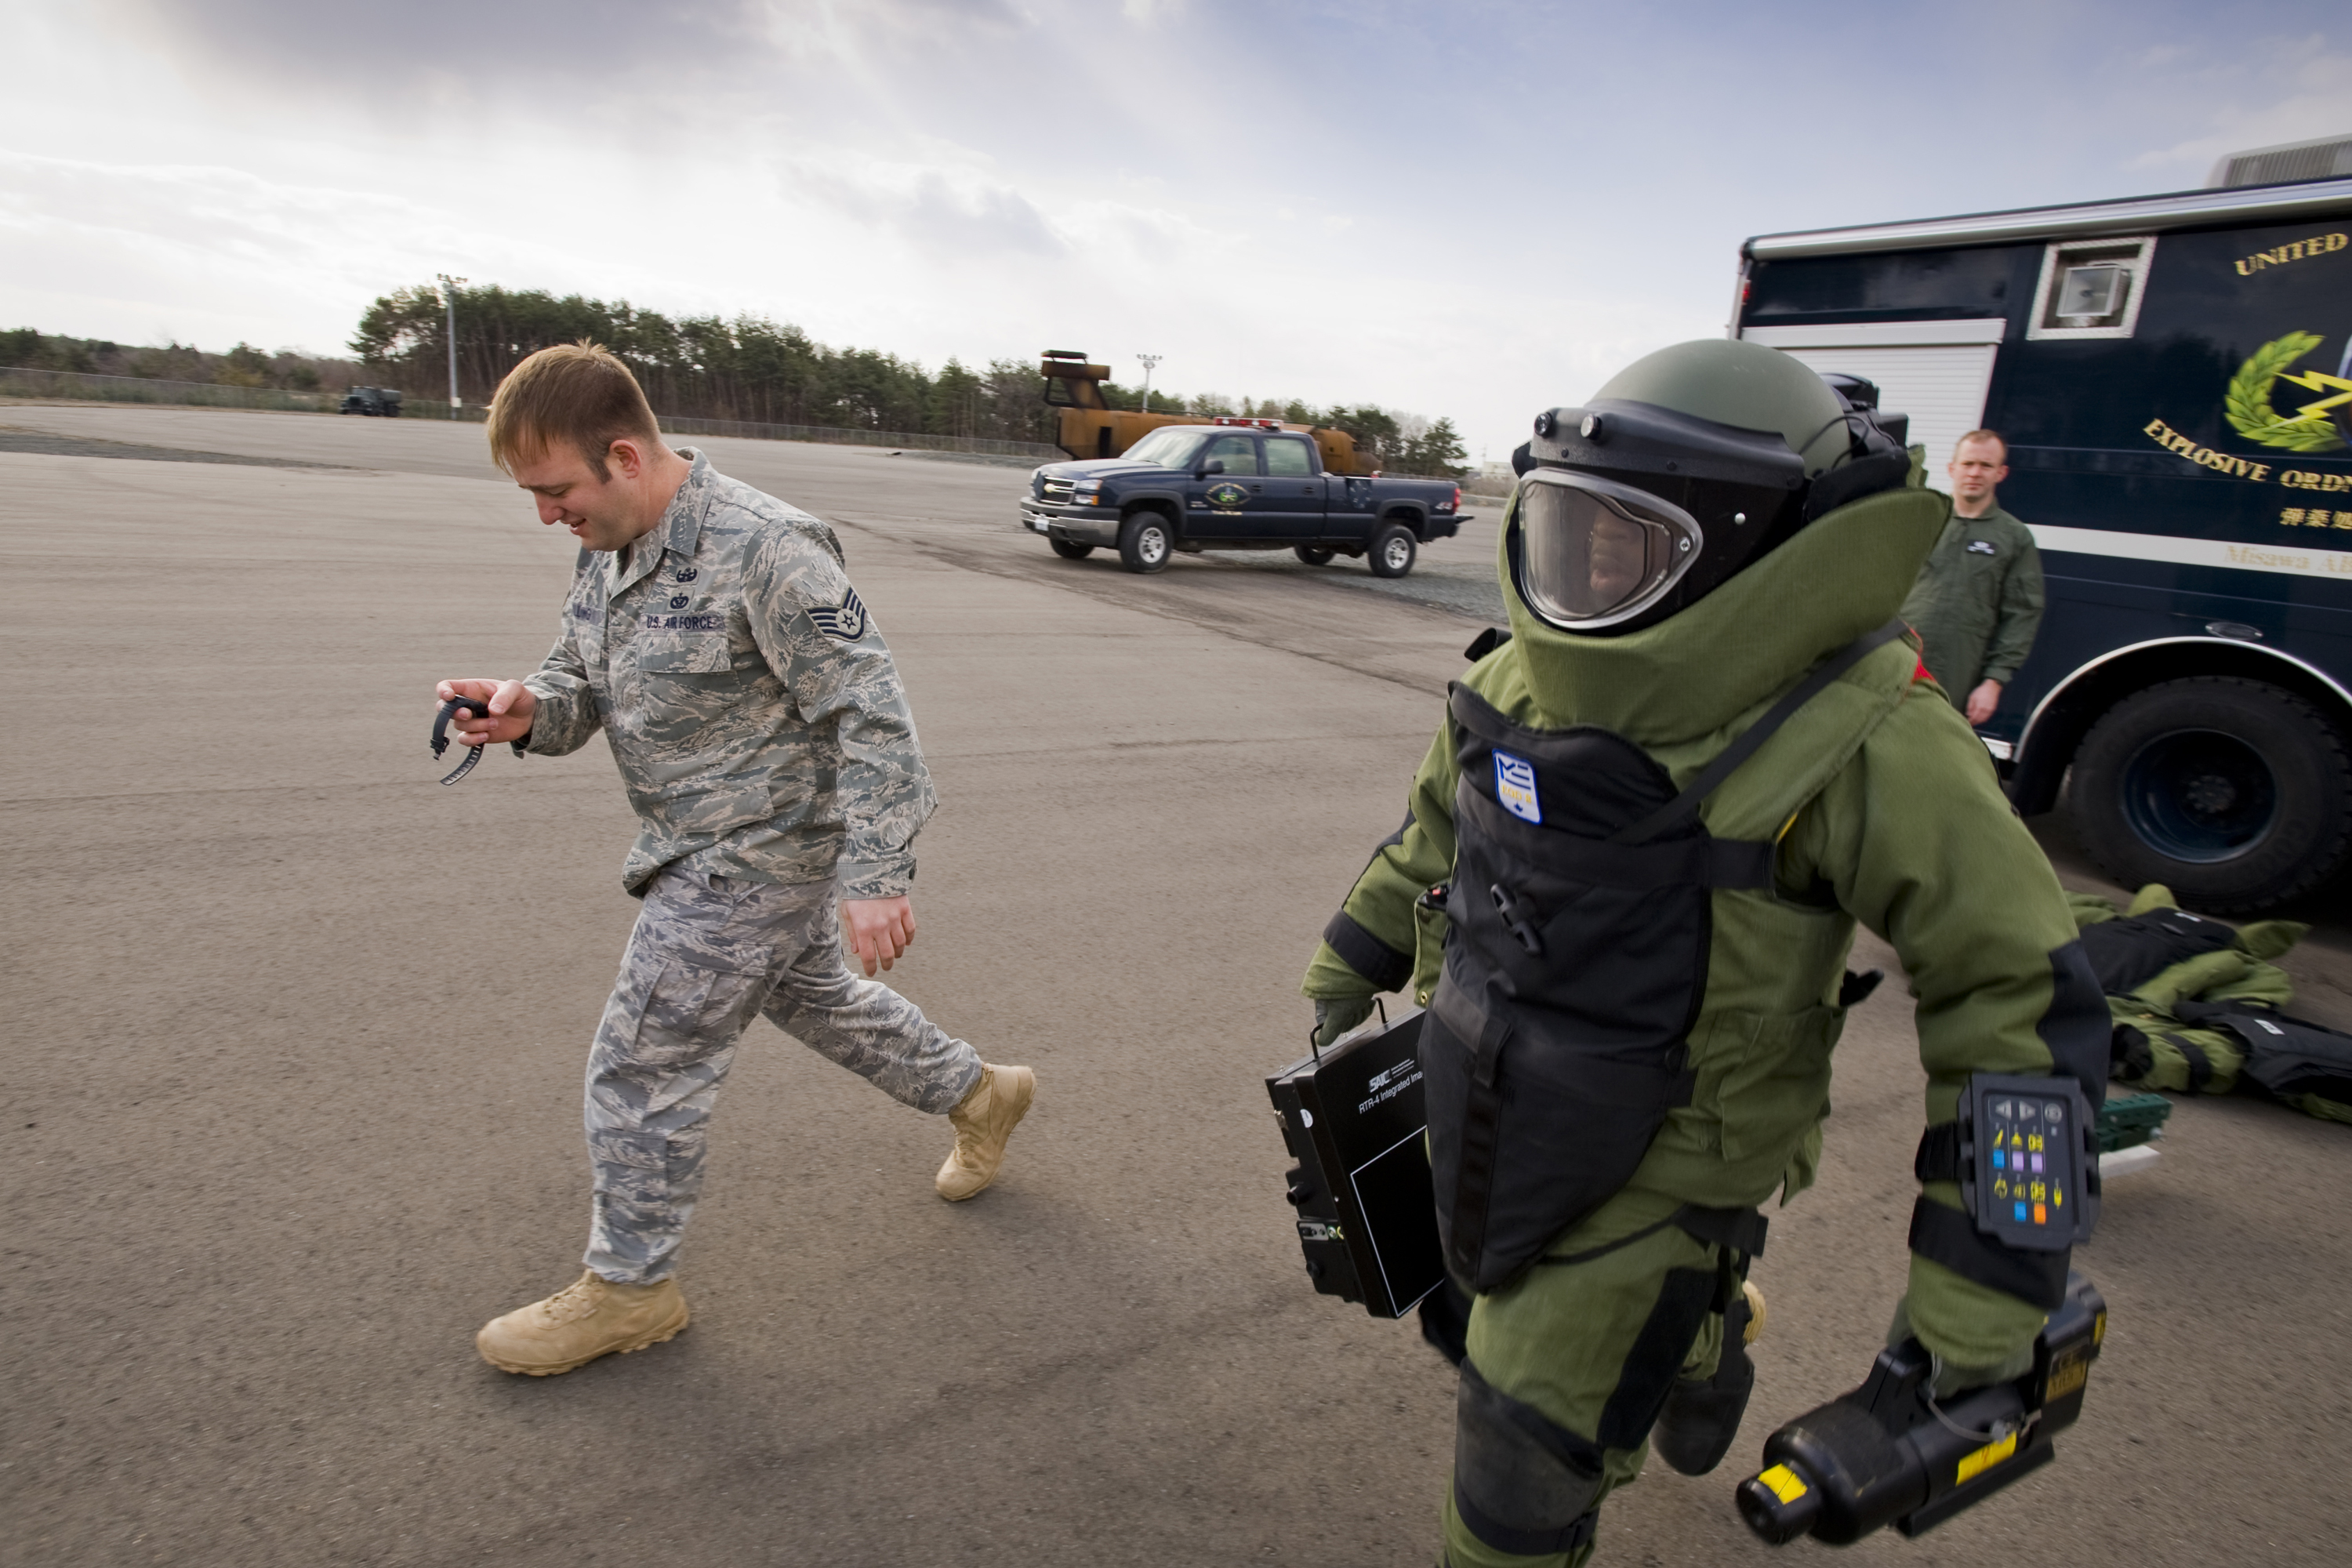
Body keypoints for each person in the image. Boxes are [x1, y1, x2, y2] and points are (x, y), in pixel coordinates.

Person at [1299, 342, 2107, 1568]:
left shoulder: (1866, 732)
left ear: (1765, 546)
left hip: (1679, 1150)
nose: (1585, 574)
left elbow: (2018, 1004)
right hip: (1492, 1095)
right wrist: (1349, 958)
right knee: (1463, 1319)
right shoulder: (1523, 675)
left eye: (1633, 544)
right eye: (1569, 532)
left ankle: (1669, 1330)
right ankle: (1699, 1334)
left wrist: (1982, 1311)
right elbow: (1437, 830)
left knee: (1516, 1447)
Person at [438, 342, 1034, 1377]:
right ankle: (982, 1092)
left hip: (756, 859)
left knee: (641, 1064)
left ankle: (631, 1287)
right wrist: (530, 712)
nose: (547, 515)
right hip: (693, 846)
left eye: (556, 491)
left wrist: (878, 875)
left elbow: (874, 715)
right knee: (817, 1001)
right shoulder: (611, 546)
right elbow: (581, 680)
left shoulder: (769, 551)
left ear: (624, 455)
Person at [1898, 430, 2044, 726]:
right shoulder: (1920, 519)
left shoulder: (2014, 538)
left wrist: (1993, 681)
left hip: (1957, 675)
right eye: (1968, 464)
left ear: (2001, 473)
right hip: (1897, 659)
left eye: (1986, 466)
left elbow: (2022, 613)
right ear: (1952, 469)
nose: (1975, 473)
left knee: (1934, 750)